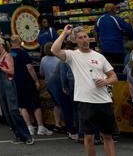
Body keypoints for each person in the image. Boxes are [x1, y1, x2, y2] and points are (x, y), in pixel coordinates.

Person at [52, 25, 119, 156]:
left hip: (104, 101)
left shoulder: (99, 56)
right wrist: (65, 33)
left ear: (89, 38)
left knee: (107, 136)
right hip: (85, 101)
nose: (84, 40)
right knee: (89, 138)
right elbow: (54, 50)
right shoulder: (72, 55)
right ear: (75, 41)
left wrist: (106, 81)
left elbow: (114, 77)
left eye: (85, 36)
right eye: (80, 38)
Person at [0, 37, 33, 144]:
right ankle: (18, 134)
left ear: (1, 45)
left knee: (13, 110)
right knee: (7, 112)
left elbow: (11, 71)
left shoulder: (8, 56)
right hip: (2, 85)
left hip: (8, 84)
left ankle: (27, 136)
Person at [10, 35, 50, 136]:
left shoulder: (10, 54)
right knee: (35, 104)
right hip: (27, 81)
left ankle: (29, 127)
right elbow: (30, 68)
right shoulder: (23, 53)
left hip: (16, 81)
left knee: (22, 105)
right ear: (20, 42)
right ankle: (41, 127)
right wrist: (36, 80)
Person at [95, 3, 132, 68]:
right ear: (112, 9)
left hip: (104, 48)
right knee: (120, 67)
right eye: (115, 9)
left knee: (109, 67)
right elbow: (129, 29)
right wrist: (130, 20)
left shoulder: (99, 19)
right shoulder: (116, 18)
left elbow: (95, 32)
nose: (116, 10)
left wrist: (98, 44)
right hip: (117, 48)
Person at [40, 43, 65, 134]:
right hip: (60, 84)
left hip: (49, 85)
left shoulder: (43, 59)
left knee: (56, 105)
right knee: (64, 104)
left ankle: (57, 124)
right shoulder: (59, 58)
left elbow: (41, 73)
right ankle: (66, 123)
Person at [58, 41, 80, 142]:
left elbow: (63, 74)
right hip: (81, 82)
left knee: (74, 109)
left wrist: (64, 86)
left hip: (72, 83)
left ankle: (78, 132)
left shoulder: (64, 57)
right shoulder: (79, 55)